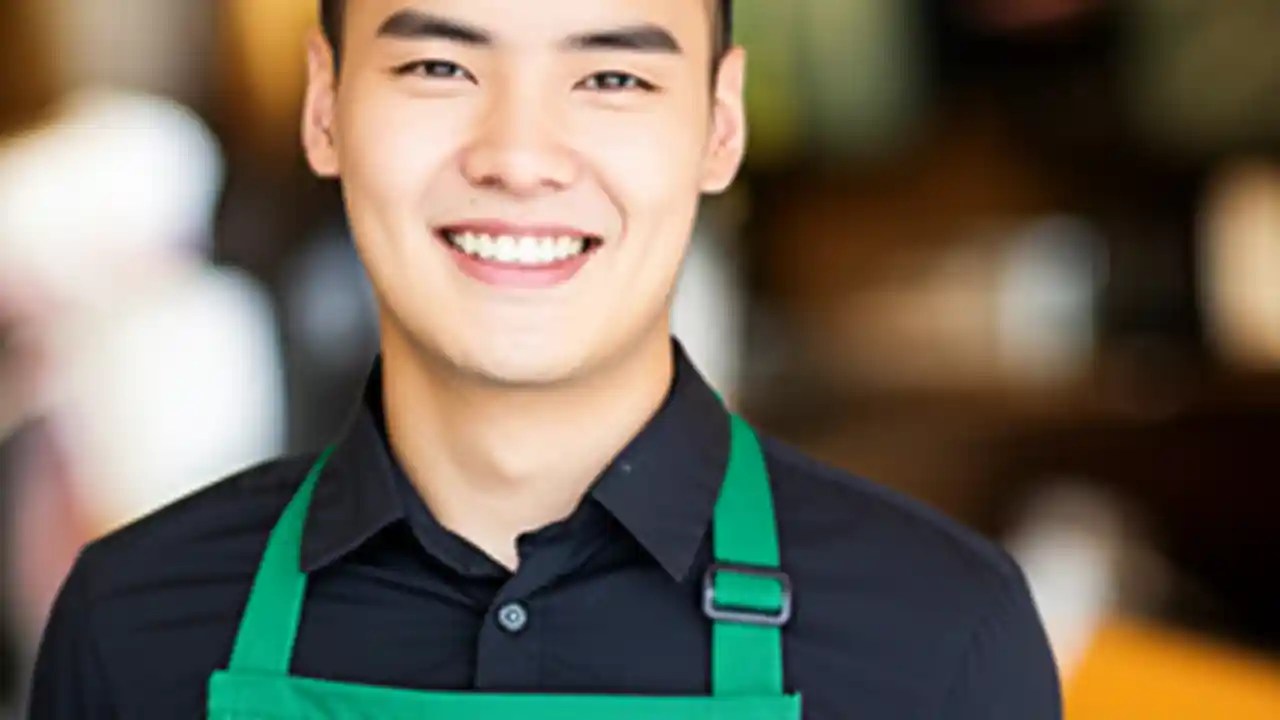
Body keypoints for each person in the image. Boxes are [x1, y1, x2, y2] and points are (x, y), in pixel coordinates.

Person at [28, 0, 1061, 717]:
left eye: (610, 75)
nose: (518, 157)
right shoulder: (132, 627)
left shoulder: (940, 639)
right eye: (439, 65)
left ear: (717, 123)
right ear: (324, 105)